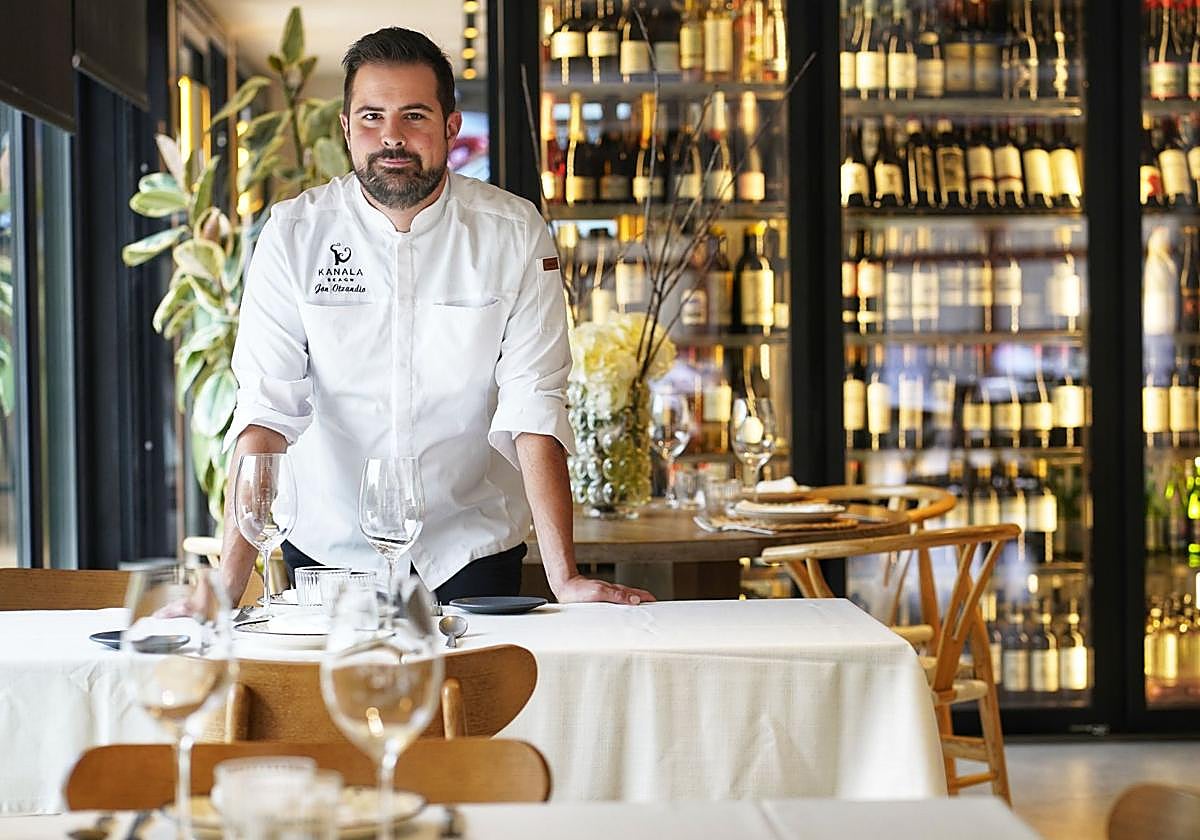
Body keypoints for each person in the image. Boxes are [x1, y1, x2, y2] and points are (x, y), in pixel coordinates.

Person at [220, 27, 654, 608]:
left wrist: (564, 578)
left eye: (414, 116)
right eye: (371, 117)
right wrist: (223, 593)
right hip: (330, 557)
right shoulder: (293, 235)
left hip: (469, 551)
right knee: (335, 700)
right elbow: (265, 412)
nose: (391, 138)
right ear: (346, 128)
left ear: (451, 126)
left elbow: (534, 404)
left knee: (476, 700)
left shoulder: (514, 232)